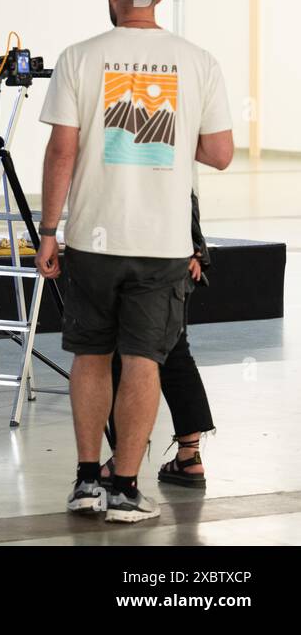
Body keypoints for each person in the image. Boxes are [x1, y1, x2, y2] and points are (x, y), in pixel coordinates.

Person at [35, 0, 233, 524]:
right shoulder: (197, 62)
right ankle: (126, 490)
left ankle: (85, 482)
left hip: (93, 239)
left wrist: (49, 231)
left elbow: (62, 151)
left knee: (90, 355)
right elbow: (219, 154)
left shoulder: (80, 57)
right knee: (144, 359)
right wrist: (173, 132)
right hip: (163, 243)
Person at [101, 190, 214, 489]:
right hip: (174, 246)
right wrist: (194, 246)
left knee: (123, 354)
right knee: (176, 349)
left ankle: (123, 458)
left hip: (132, 245)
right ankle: (189, 456)